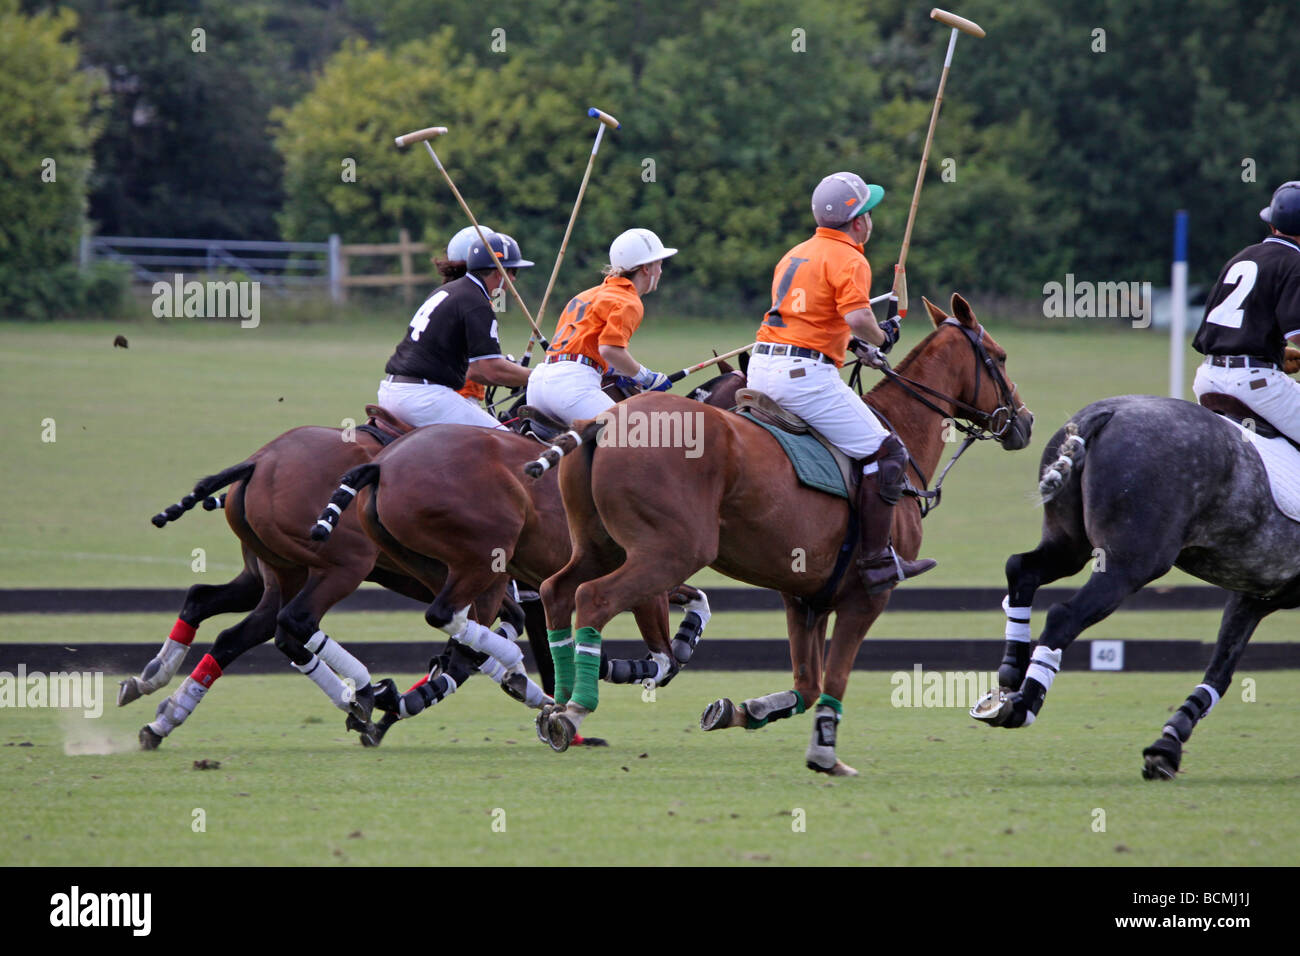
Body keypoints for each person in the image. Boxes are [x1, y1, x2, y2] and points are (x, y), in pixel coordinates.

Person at [747, 171, 935, 593]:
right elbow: (857, 317)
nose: (871, 220)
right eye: (868, 212)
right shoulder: (851, 259)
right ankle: (876, 561)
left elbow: (813, 318)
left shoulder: (795, 253)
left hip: (761, 366)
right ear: (857, 221)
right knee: (889, 452)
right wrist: (881, 336)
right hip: (803, 378)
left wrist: (853, 346)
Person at [377, 229, 530, 429]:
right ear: (498, 272)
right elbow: (490, 370)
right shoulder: (476, 302)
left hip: (393, 391)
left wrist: (514, 373)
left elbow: (476, 368)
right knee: (508, 444)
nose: (514, 279)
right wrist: (540, 377)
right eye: (512, 271)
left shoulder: (447, 291)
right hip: (424, 397)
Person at [525, 228, 676, 425]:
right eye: (659, 264)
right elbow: (610, 349)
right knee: (640, 436)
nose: (661, 271)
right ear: (646, 268)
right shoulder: (628, 301)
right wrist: (645, 376)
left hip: (538, 383)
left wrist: (618, 371)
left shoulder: (588, 294)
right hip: (571, 387)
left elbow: (587, 348)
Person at [1193, 181, 1300, 439]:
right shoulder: (1295, 263)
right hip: (1254, 386)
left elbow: (1222, 327)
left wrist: (1270, 352)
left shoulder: (1242, 256)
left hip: (1208, 378)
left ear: (1273, 225)